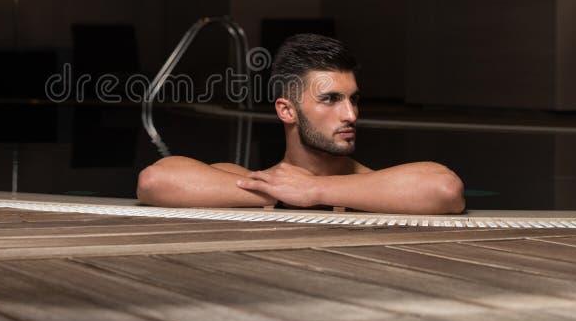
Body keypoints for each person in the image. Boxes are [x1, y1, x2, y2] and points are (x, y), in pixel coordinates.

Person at [136, 33, 465, 214]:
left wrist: (312, 190)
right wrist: (280, 194)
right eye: (331, 99)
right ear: (286, 110)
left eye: (353, 99)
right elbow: (155, 180)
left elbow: (444, 188)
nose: (350, 114)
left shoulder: (373, 185)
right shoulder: (257, 184)